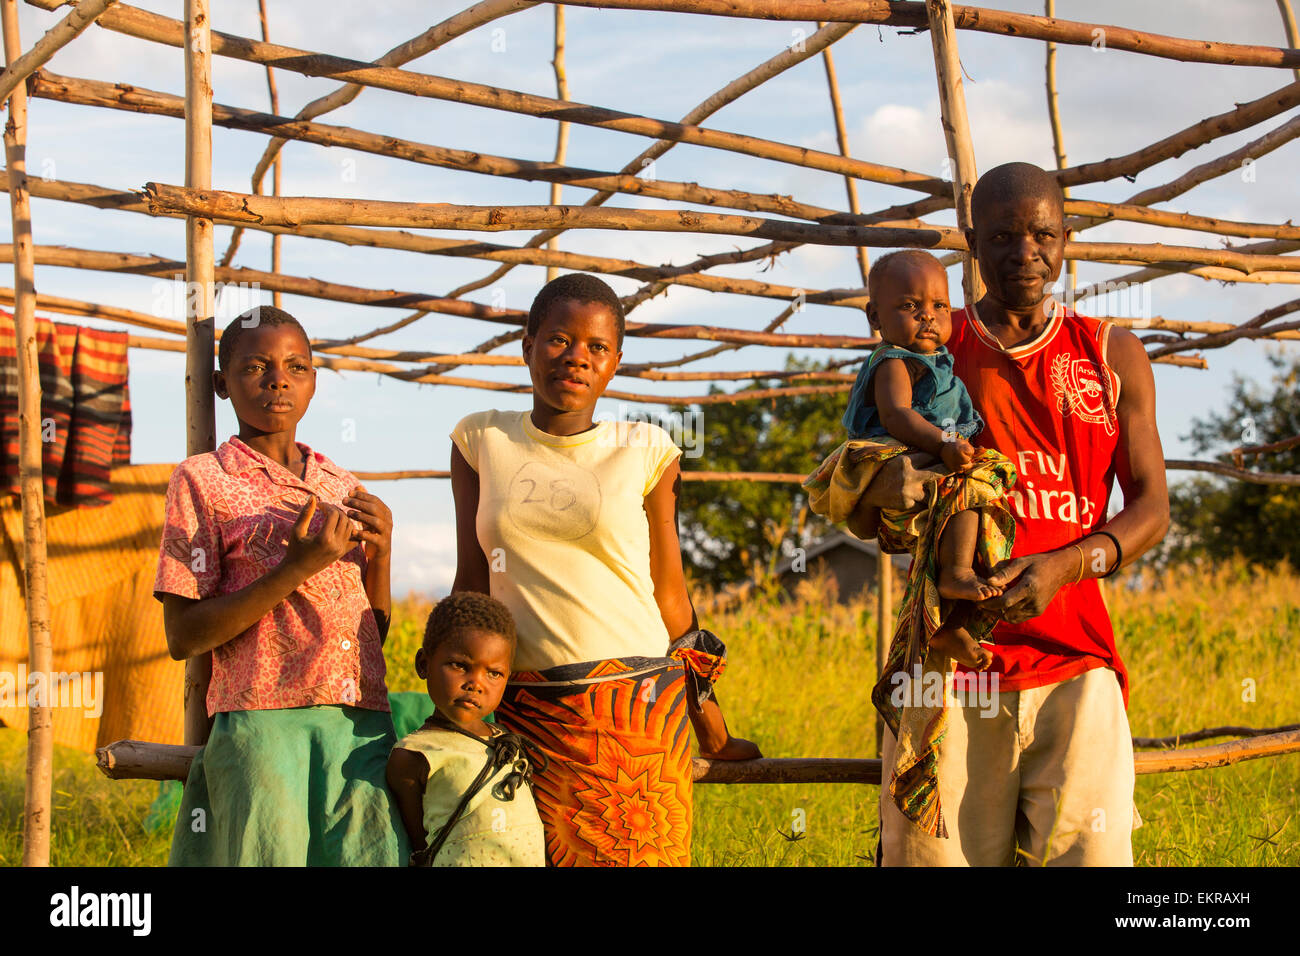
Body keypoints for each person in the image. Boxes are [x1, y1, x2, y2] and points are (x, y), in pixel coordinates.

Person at [876, 162, 1170, 866]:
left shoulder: (1111, 354)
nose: (1025, 253)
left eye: (1042, 234)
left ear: (1066, 238)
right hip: (949, 667)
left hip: (1077, 666)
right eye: (1004, 235)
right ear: (973, 243)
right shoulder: (930, 352)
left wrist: (1069, 561)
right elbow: (874, 495)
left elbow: (1153, 508)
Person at [450, 273, 760, 867]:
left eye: (597, 347)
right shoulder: (480, 439)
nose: (577, 358)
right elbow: (473, 583)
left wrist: (710, 725)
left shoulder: (646, 449)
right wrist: (456, 705)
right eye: (559, 340)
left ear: (616, 362)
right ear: (528, 346)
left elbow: (670, 593)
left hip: (641, 716)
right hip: (524, 712)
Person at [154, 305, 406, 866]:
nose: (278, 381)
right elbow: (184, 636)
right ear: (222, 384)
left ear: (314, 380)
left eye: (297, 367)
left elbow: (370, 634)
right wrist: (295, 568)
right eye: (256, 367)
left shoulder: (341, 484)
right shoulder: (203, 480)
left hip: (359, 723)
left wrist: (383, 556)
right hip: (262, 721)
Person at [818, 248, 1015, 671]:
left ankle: (947, 623)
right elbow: (898, 415)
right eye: (910, 306)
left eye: (939, 306)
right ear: (875, 318)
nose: (928, 316)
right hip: (897, 452)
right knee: (969, 491)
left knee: (975, 510)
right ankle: (955, 579)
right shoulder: (894, 361)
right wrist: (945, 444)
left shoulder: (938, 359)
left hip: (931, 452)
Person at [386, 592, 546, 867]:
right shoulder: (415, 756)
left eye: (493, 673)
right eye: (459, 666)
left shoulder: (506, 741)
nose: (476, 683)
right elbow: (418, 846)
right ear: (423, 664)